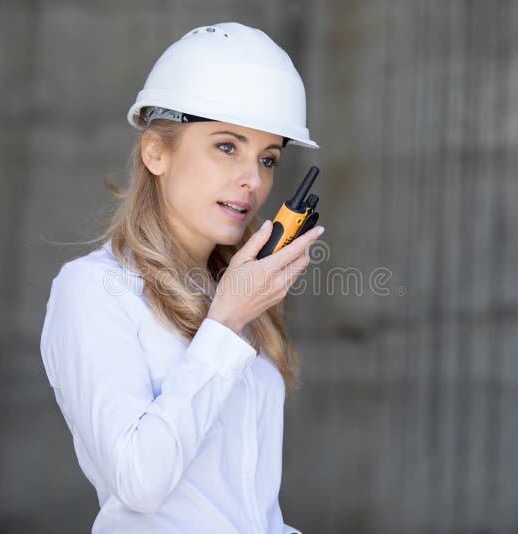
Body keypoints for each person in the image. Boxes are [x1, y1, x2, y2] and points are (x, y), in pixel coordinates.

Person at [40, 22, 324, 533]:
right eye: (226, 147)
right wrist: (225, 323)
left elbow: (246, 512)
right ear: (156, 152)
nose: (253, 180)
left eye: (268, 158)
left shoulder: (234, 297)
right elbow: (139, 481)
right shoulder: (92, 291)